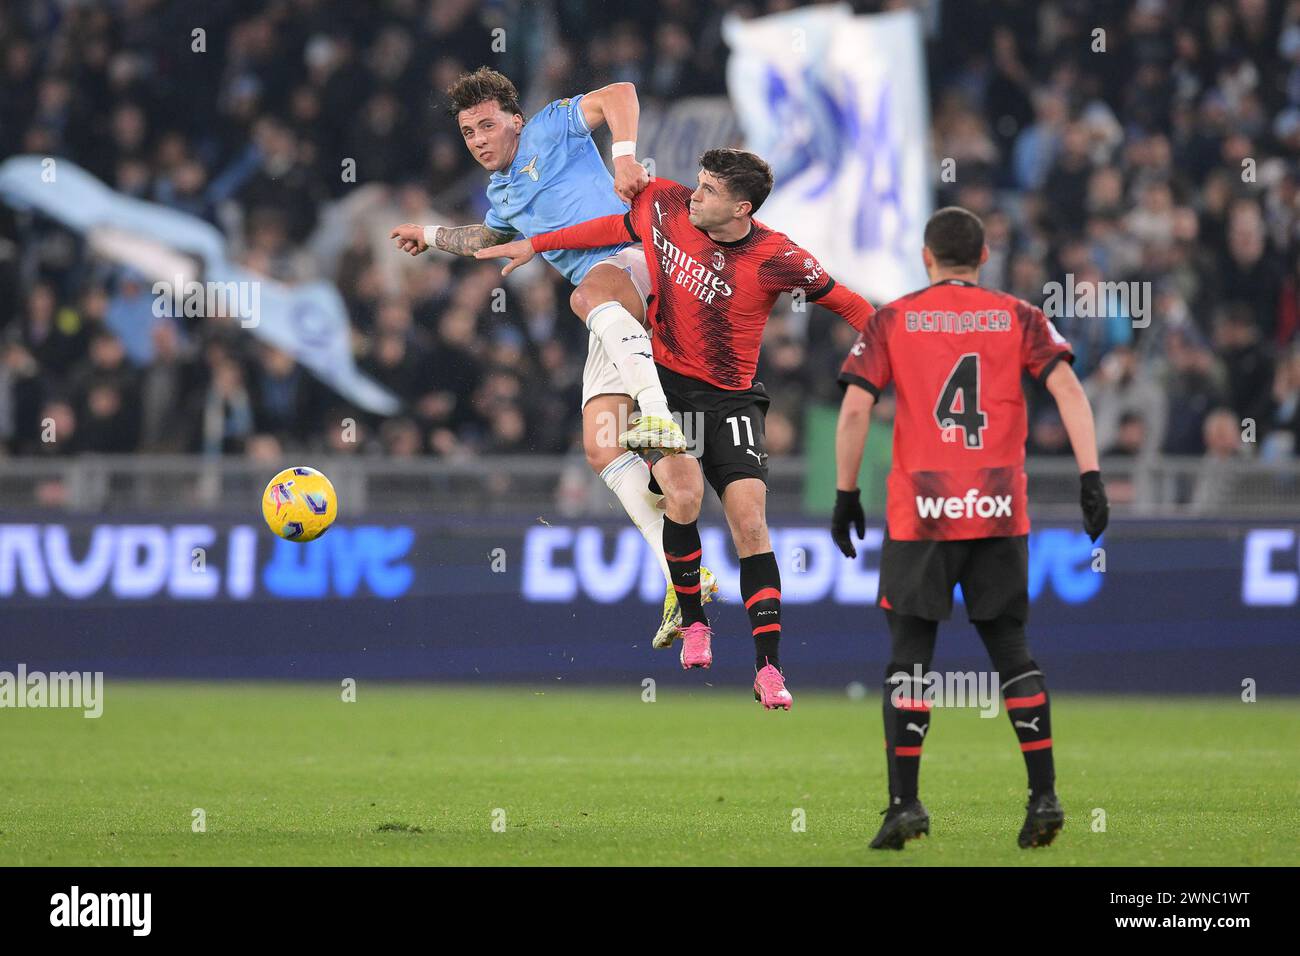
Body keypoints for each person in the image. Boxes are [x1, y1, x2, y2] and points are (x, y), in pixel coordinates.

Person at [476, 148, 875, 708]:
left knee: (751, 525)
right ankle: (695, 622)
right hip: (663, 390)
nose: (695, 194)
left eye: (709, 190)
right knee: (683, 499)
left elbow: (852, 305)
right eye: (698, 182)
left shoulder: (777, 255)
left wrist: (888, 358)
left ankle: (768, 670)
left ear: (741, 208)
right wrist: (533, 244)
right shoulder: (664, 203)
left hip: (734, 400)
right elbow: (612, 227)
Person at [388, 67, 716, 649]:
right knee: (601, 445)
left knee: (584, 292)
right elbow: (488, 240)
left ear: (515, 120)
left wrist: (622, 158)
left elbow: (622, 93)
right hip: (609, 314)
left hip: (640, 263)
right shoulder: (502, 194)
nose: (479, 139)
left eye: (487, 125)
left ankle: (657, 410)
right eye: (468, 133)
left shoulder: (551, 127)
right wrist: (432, 235)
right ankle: (682, 574)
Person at [832, 206, 1109, 849]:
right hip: (997, 509)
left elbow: (853, 409)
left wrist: (847, 494)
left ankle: (905, 805)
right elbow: (1067, 388)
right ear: (984, 259)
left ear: (926, 258)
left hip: (920, 516)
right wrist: (1090, 476)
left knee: (909, 663)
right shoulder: (1020, 316)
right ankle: (1043, 793)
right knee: (1012, 651)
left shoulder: (892, 319)